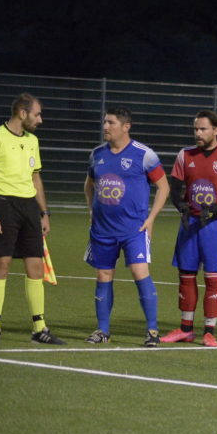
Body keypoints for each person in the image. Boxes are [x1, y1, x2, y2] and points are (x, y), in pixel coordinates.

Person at [0, 93, 65, 345]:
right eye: (37, 114)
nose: (40, 120)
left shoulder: (33, 141)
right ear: (22, 113)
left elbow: (36, 179)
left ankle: (39, 328)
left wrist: (44, 213)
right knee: (2, 266)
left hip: (29, 209)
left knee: (35, 268)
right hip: (3, 205)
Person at [83, 107, 170, 347]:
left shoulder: (144, 155)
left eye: (110, 122)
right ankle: (103, 330)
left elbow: (164, 187)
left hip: (134, 229)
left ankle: (152, 331)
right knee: (103, 275)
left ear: (126, 126)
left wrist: (151, 218)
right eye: (104, 122)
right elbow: (89, 184)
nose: (105, 127)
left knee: (139, 273)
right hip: (102, 230)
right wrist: (92, 210)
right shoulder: (97, 154)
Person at [161, 110, 217, 347]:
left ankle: (209, 331)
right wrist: (182, 207)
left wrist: (216, 209)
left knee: (212, 279)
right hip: (190, 226)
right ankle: (186, 329)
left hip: (215, 226)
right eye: (195, 129)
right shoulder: (185, 155)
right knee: (186, 276)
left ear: (216, 130)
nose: (198, 133)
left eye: (203, 129)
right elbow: (175, 189)